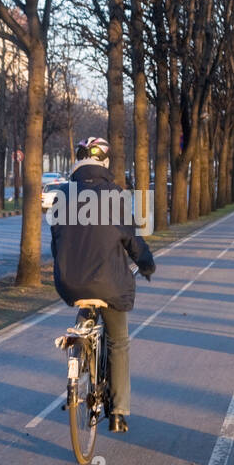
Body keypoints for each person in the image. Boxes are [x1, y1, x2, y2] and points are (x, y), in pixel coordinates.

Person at [50, 137, 155, 434]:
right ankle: (119, 412)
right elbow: (131, 240)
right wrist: (145, 263)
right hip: (109, 284)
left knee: (84, 312)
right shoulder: (115, 195)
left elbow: (57, 243)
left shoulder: (61, 194)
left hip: (71, 283)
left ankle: (79, 359)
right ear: (104, 163)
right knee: (118, 341)